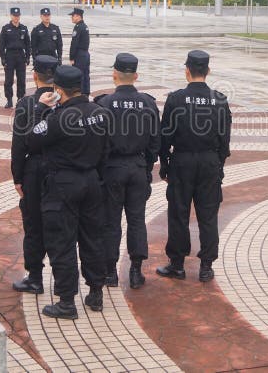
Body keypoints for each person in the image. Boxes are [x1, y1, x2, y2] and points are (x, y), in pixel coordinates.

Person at [26, 65, 109, 319]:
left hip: (63, 185)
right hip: (93, 183)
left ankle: (66, 301)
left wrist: (41, 108)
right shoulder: (100, 113)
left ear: (58, 91)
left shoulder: (58, 118)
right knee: (93, 238)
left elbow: (31, 139)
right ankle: (96, 292)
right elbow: (106, 149)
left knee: (62, 242)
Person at [157, 50, 231, 282]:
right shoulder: (220, 99)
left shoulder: (176, 98)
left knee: (178, 213)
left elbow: (165, 136)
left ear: (187, 70)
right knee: (208, 214)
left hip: (182, 161)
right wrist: (218, 164)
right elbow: (224, 139)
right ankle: (206, 266)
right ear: (207, 71)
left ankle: (177, 264)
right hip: (209, 162)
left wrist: (165, 163)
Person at [95, 53, 160, 289]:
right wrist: (147, 165)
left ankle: (110, 272)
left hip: (112, 169)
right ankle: (135, 271)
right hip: (138, 168)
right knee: (136, 220)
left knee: (111, 221)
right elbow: (155, 141)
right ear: (136, 76)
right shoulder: (148, 103)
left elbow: (98, 143)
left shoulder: (104, 104)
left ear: (114, 75)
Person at [11, 55, 59, 294]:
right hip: (60, 168)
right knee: (61, 224)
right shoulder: (66, 102)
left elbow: (19, 143)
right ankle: (62, 280)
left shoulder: (26, 104)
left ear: (34, 76)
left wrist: (17, 177)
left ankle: (35, 277)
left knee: (33, 224)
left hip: (34, 169)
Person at [0, 7, 31, 109]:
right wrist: (3, 58)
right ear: (11, 16)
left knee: (21, 79)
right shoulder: (5, 28)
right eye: (14, 16)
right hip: (10, 56)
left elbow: (27, 44)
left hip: (21, 56)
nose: (16, 17)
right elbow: (1, 45)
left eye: (18, 16)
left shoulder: (24, 28)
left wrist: (28, 57)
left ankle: (20, 99)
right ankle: (9, 100)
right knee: (9, 80)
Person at [69, 7, 91, 95]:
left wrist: (71, 57)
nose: (71, 18)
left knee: (79, 75)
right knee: (86, 74)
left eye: (73, 16)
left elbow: (74, 43)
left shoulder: (78, 27)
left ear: (78, 16)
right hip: (85, 54)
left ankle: (79, 94)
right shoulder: (85, 26)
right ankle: (86, 93)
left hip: (79, 54)